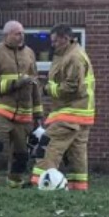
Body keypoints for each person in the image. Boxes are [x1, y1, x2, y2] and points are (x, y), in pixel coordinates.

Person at [0, 21, 42, 188]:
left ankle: (15, 185)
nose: (22, 37)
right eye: (17, 33)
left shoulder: (29, 53)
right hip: (1, 111)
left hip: (24, 114)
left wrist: (38, 114)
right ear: (7, 35)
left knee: (21, 154)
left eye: (22, 33)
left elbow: (35, 85)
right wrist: (15, 83)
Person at [30, 25, 94, 191]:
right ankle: (78, 186)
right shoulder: (69, 54)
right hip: (81, 114)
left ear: (65, 38)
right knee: (76, 153)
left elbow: (72, 87)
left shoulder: (73, 57)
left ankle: (41, 182)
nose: (52, 45)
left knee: (48, 144)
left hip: (70, 113)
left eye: (55, 41)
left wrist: (48, 89)